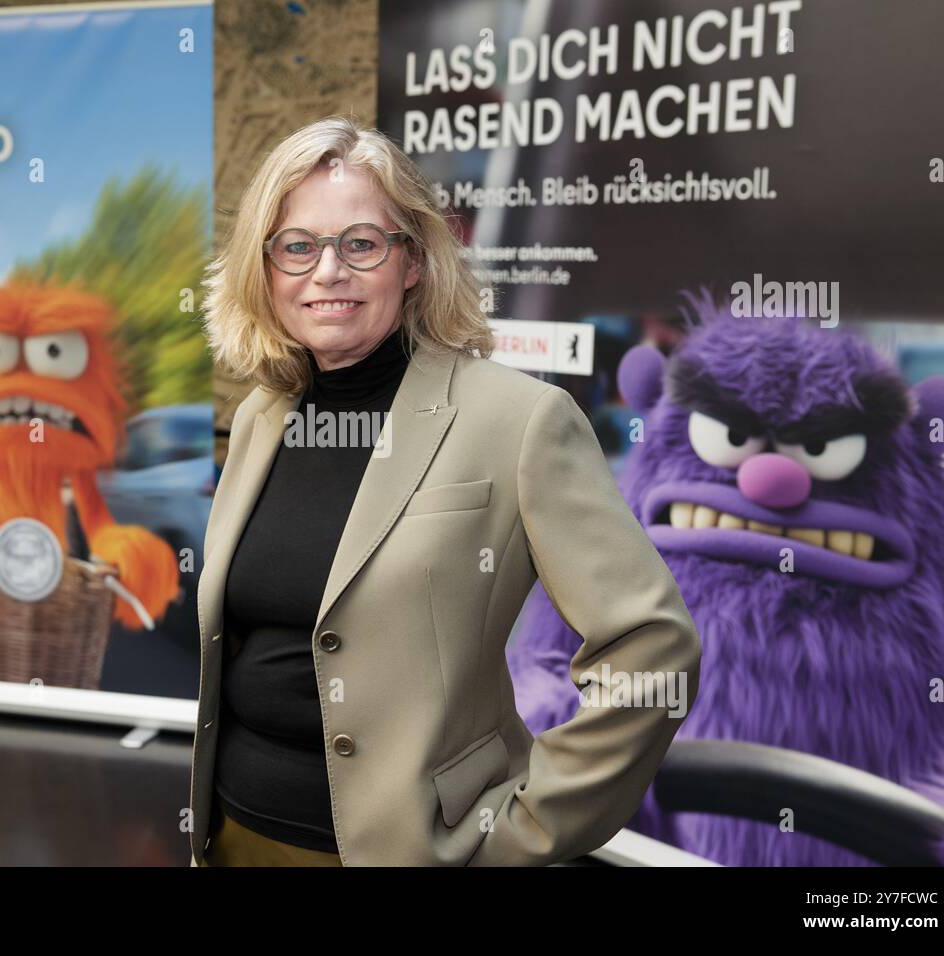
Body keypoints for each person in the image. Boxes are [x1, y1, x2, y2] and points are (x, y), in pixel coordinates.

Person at [189, 116, 701, 866]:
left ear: (416, 261)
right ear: (265, 269)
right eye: (297, 246)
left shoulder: (518, 420)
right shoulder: (264, 417)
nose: (327, 271)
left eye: (360, 243)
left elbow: (654, 648)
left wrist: (525, 831)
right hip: (235, 834)